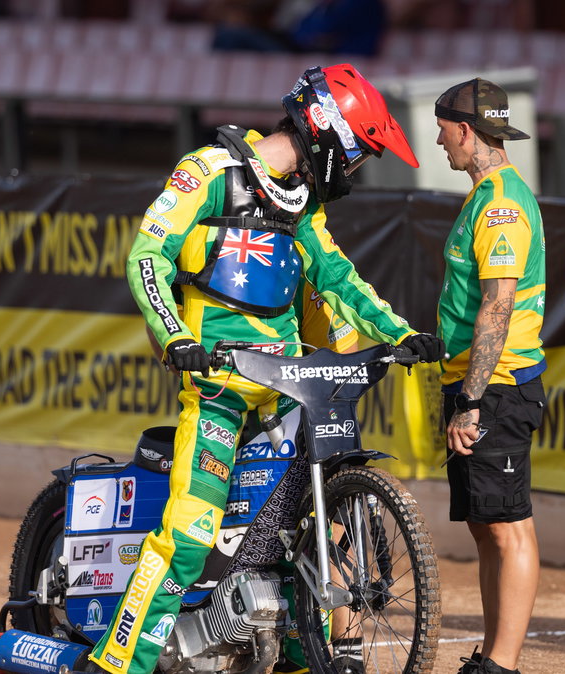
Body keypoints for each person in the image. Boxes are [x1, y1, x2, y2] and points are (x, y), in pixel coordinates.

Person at [88, 63, 444, 674]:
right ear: (333, 137)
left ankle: (297, 652)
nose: (354, 174)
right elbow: (148, 253)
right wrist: (174, 335)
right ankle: (119, 661)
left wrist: (401, 333)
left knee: (298, 528)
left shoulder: (302, 203)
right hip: (220, 388)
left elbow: (336, 277)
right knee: (190, 535)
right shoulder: (208, 171)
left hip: (286, 387)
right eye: (358, 159)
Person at [433, 78, 547, 674]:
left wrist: (471, 400)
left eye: (444, 127)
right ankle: (493, 655)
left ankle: (501, 665)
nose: (438, 139)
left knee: (507, 527)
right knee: (486, 524)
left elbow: (497, 307)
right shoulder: (486, 195)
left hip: (497, 386)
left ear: (467, 130)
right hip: (480, 383)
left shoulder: (500, 203)